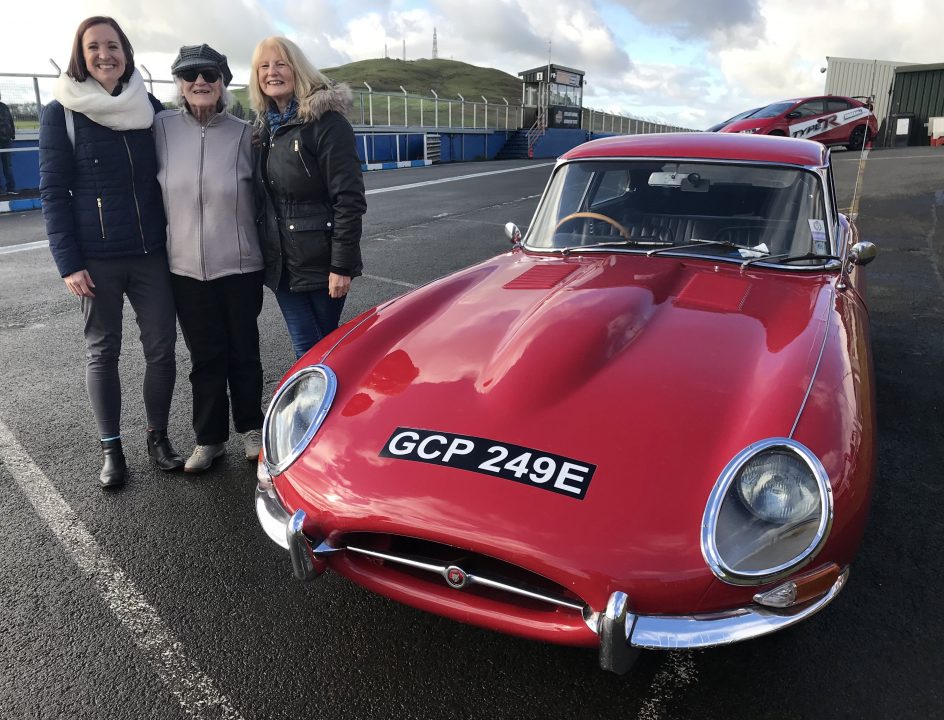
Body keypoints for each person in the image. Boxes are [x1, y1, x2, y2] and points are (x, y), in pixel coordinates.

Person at [39, 16, 183, 489]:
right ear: (80, 55)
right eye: (94, 46)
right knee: (102, 351)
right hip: (95, 258)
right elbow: (53, 193)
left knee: (161, 348)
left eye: (113, 45)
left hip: (150, 253)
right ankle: (111, 449)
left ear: (126, 53)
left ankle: (158, 437)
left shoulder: (149, 106)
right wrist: (68, 263)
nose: (105, 54)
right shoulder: (62, 112)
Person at [153, 45, 265, 472]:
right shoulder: (160, 129)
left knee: (244, 352)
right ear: (179, 84)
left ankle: (251, 428)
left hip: (240, 265)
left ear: (223, 82)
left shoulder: (245, 134)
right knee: (205, 357)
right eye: (190, 75)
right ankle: (209, 439)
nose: (200, 81)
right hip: (184, 268)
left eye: (209, 74)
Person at [249, 36, 367, 360]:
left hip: (321, 263)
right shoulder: (263, 130)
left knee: (316, 351)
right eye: (263, 66)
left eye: (281, 64)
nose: (272, 72)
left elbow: (349, 198)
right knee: (314, 351)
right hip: (282, 266)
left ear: (297, 69)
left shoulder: (326, 123)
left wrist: (341, 265)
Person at [0, 90, 16, 194]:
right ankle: (10, 188)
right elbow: (11, 121)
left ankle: (7, 188)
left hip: (6, 139)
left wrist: (12, 134)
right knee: (7, 165)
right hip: (7, 139)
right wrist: (12, 134)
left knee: (7, 165)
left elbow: (10, 121)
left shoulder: (5, 107)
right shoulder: (5, 107)